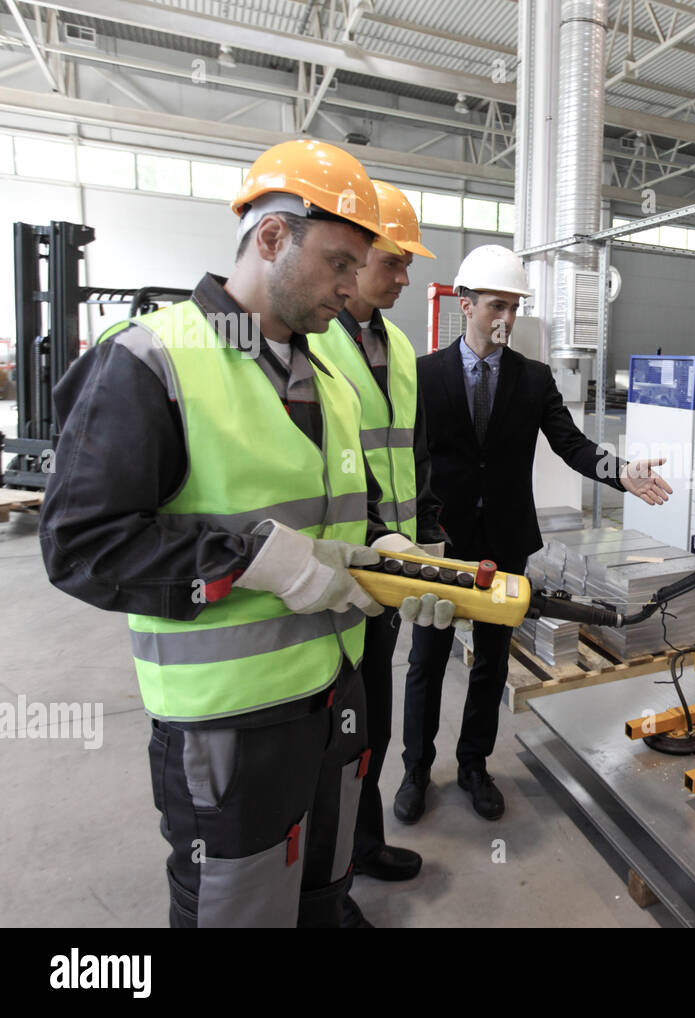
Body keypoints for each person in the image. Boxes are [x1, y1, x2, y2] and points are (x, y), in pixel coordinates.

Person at [39, 139, 448, 927]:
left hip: (334, 695)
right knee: (242, 909)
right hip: (231, 724)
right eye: (337, 263)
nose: (351, 284)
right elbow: (81, 544)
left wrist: (385, 557)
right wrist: (253, 560)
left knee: (323, 887)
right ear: (271, 238)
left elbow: (336, 513)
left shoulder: (327, 377)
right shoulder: (154, 358)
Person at [395, 244, 672, 823]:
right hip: (442, 543)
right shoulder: (422, 376)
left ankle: (474, 764)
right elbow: (407, 460)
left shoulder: (533, 379)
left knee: (492, 661)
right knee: (427, 657)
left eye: (514, 308)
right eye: (497, 305)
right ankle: (416, 770)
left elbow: (572, 447)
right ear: (464, 305)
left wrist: (619, 471)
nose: (506, 319)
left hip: (505, 541)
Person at [306, 180, 445, 884]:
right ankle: (330, 881)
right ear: (354, 256)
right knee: (334, 734)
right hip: (336, 566)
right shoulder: (314, 344)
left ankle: (362, 845)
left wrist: (431, 532)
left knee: (374, 726)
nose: (403, 275)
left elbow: (413, 452)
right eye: (393, 261)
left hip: (393, 563)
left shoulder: (397, 344)